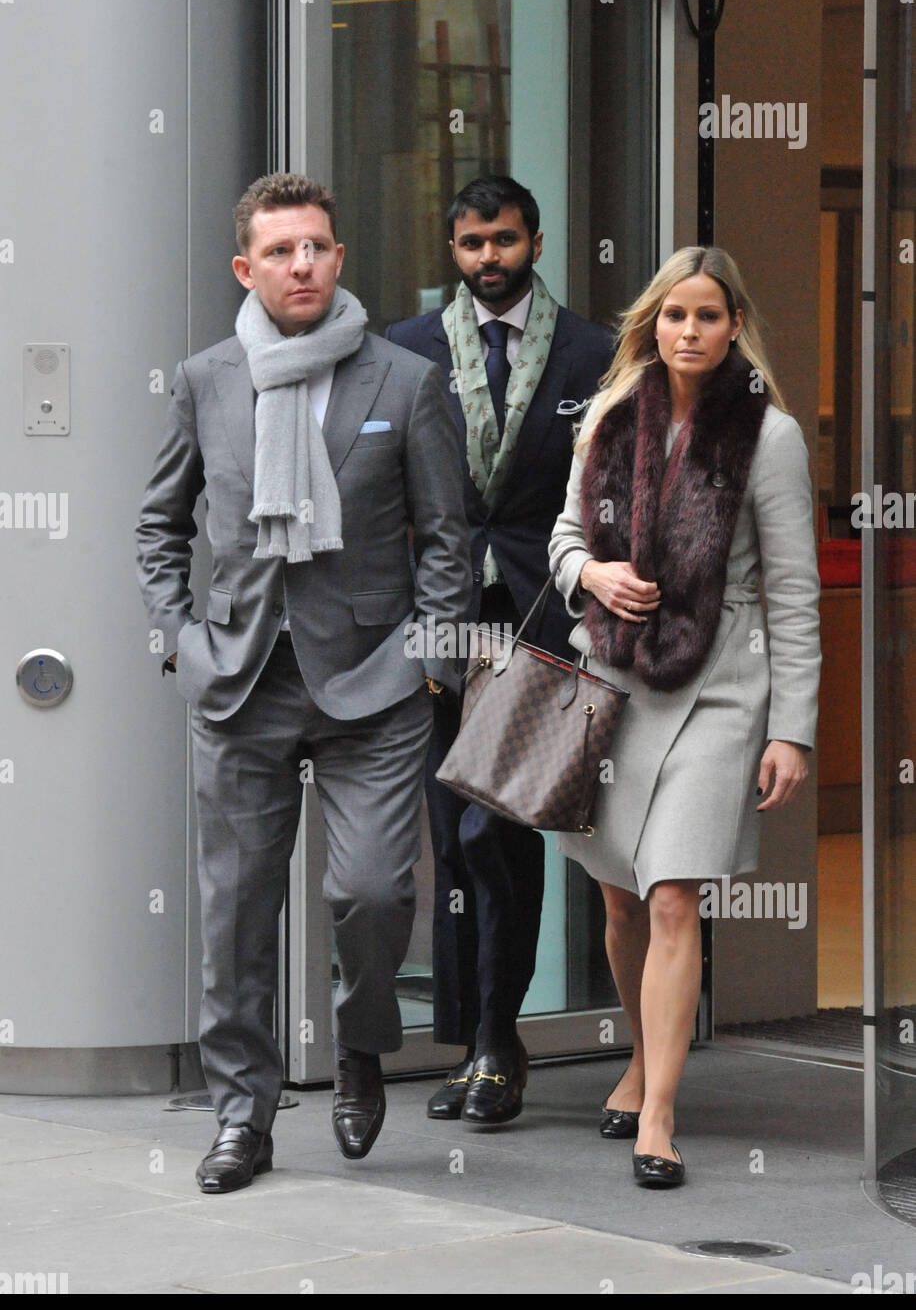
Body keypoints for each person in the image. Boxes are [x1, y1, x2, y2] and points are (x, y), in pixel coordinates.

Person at [136, 172, 471, 1193]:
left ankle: (362, 1046)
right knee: (234, 913)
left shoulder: (403, 382)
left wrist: (429, 657)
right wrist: (177, 640)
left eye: (317, 246)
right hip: (239, 681)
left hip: (374, 680)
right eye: (280, 251)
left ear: (338, 257)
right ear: (247, 267)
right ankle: (243, 1115)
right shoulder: (206, 379)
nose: (301, 265)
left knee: (371, 890)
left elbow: (448, 540)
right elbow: (159, 524)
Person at [548, 246, 821, 1187]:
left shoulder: (770, 438)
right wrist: (592, 572)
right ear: (652, 323)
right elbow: (565, 537)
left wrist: (794, 728)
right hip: (616, 684)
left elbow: (794, 590)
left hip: (720, 689)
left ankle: (660, 1113)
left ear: (734, 325)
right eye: (674, 316)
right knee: (621, 893)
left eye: (708, 316)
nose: (690, 331)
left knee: (673, 892)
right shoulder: (610, 419)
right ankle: (640, 1055)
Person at [386, 177, 612, 1123]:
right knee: (452, 832)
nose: (490, 259)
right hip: (440, 613)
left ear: (538, 240)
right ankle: (473, 1044)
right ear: (453, 247)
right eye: (473, 243)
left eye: (506, 241)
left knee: (498, 829)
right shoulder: (402, 351)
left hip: (537, 614)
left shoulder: (592, 353)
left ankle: (498, 1040)